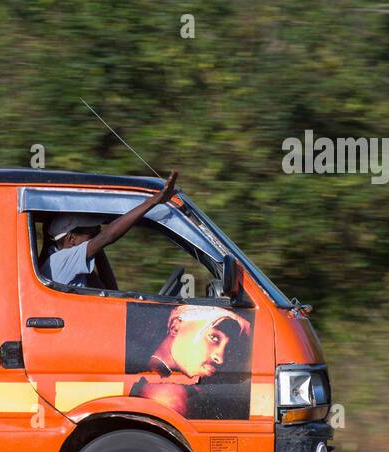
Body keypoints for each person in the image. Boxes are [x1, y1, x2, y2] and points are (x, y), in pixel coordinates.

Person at [42, 170, 179, 289]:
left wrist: (98, 248)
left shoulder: (71, 265)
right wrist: (151, 202)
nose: (98, 236)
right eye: (93, 233)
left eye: (98, 232)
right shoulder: (62, 260)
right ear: (71, 238)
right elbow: (108, 236)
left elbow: (111, 291)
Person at [130, 304, 251, 417]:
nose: (220, 358)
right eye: (214, 337)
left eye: (230, 348)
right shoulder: (165, 394)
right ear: (175, 327)